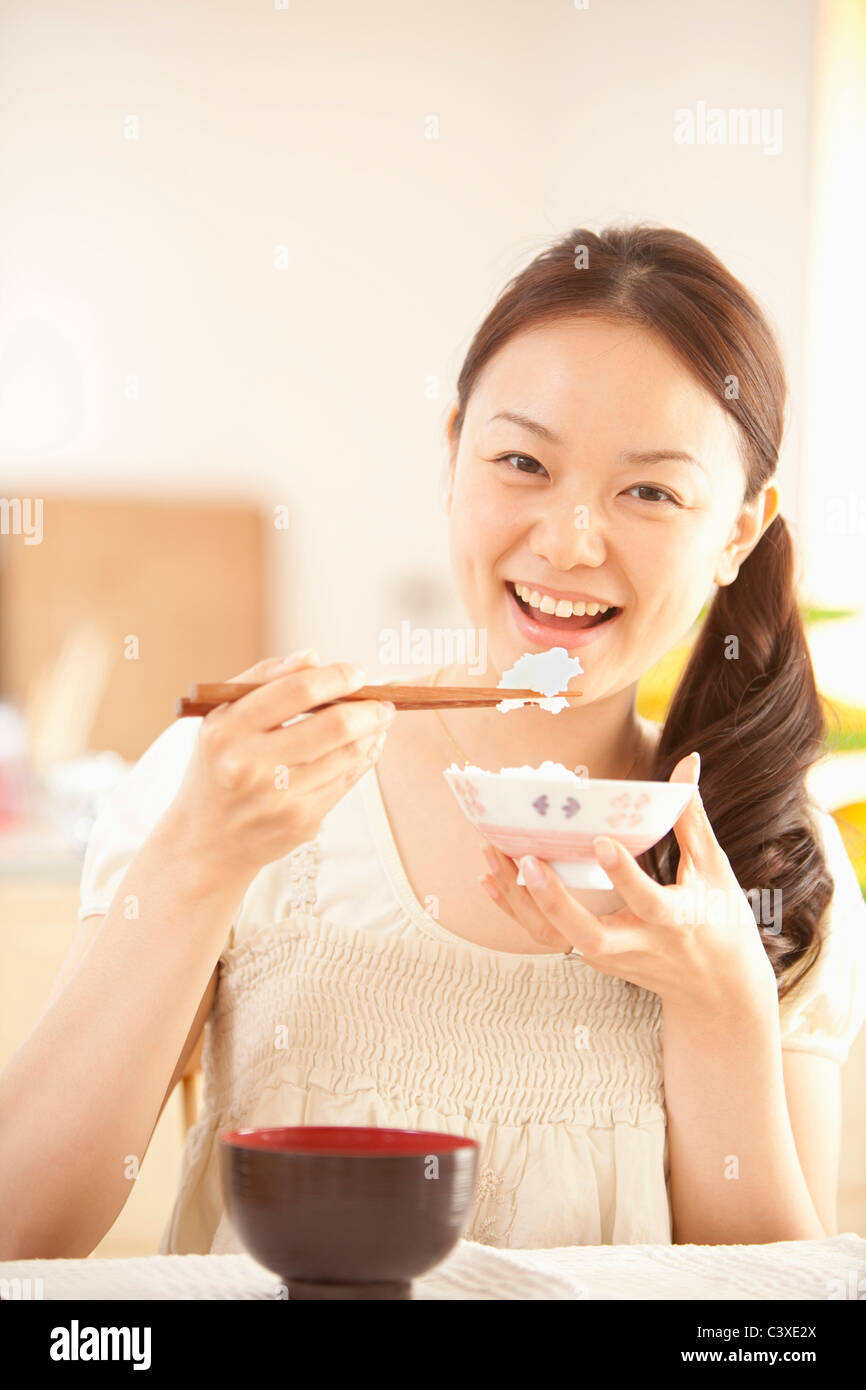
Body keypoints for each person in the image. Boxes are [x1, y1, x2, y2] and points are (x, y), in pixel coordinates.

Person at [2, 224, 865, 1257]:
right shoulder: (245, 785)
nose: (567, 540)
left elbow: (773, 1329)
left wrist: (722, 1009)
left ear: (736, 530)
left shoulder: (773, 851)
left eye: (648, 490)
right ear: (451, 452)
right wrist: (198, 857)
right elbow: (20, 1227)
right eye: (520, 461)